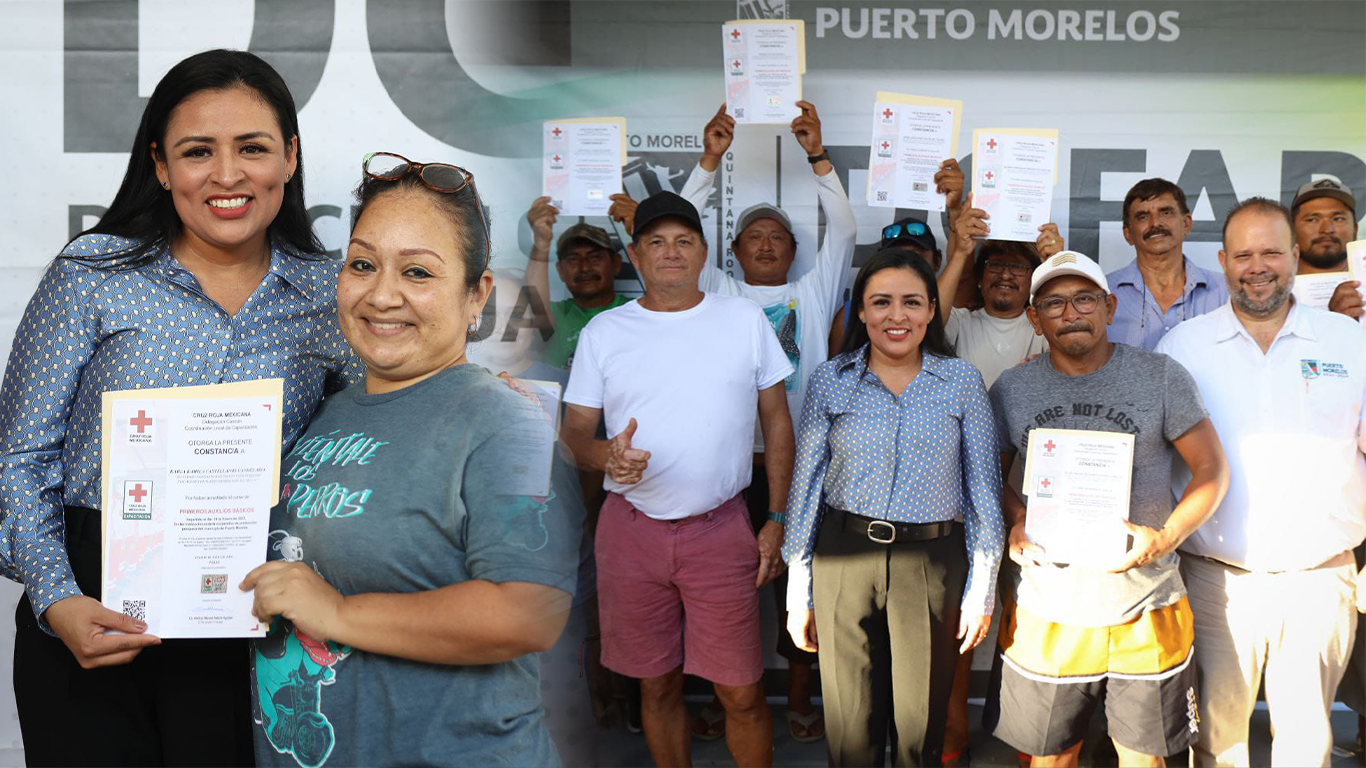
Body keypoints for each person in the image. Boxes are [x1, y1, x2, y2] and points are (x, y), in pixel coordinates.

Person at [0, 49, 359, 766]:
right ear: (161, 166)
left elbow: (379, 428)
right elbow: (19, 453)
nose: (227, 175)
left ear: (289, 158)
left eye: (252, 148)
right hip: (90, 597)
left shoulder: (332, 294)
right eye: (198, 151)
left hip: (251, 606)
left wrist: (470, 396)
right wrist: (54, 597)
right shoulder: (93, 274)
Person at [244, 153, 581, 767]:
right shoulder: (325, 413)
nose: (382, 295)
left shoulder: (508, 422)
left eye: (418, 273)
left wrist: (339, 612)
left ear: (476, 295)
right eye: (363, 264)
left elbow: (528, 612)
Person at [561, 191, 794, 767]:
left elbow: (779, 423)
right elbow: (573, 435)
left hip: (720, 529)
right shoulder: (605, 333)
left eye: (684, 241)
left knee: (740, 691)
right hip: (630, 531)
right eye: (657, 242)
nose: (671, 253)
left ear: (705, 253)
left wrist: (778, 519)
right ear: (635, 255)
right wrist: (605, 459)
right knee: (657, 687)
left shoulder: (743, 320)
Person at [986, 251, 1229, 768]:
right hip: (1048, 607)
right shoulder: (1013, 387)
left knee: (1147, 760)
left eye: (1084, 299)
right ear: (1035, 317)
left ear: (1109, 305)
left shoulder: (1161, 376)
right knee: (1050, 759)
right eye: (1053, 302)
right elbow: (987, 475)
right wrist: (1016, 519)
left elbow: (1212, 471)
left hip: (1147, 604)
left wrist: (1164, 538)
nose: (1071, 312)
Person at [1157, 197, 1366, 768]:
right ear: (1223, 260)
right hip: (1218, 586)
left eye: (1272, 251)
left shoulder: (1349, 342)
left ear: (1295, 255)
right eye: (1244, 254)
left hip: (1321, 581)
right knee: (1217, 743)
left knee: (1306, 741)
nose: (1258, 266)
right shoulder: (1183, 348)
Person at [671, 99, 855, 743]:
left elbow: (846, 228)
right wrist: (709, 160)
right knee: (722, 590)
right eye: (755, 236)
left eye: (778, 236)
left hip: (805, 468)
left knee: (799, 583)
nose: (768, 243)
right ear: (734, 250)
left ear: (794, 250)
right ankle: (723, 698)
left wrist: (817, 155)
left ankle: (800, 691)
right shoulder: (718, 293)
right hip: (727, 470)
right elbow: (680, 231)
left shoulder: (813, 291)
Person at [783, 247, 1004, 767]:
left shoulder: (962, 382)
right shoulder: (831, 379)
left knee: (918, 728)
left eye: (911, 302)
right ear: (861, 311)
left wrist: (982, 589)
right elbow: (806, 485)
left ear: (932, 310)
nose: (896, 316)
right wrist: (799, 589)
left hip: (930, 561)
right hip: (842, 557)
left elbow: (984, 492)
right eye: (881, 302)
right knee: (850, 727)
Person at [1106, 178, 1227, 350]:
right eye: (1142, 216)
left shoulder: (1225, 292)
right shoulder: (1103, 294)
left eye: (1166, 213)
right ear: (1128, 234)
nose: (1155, 223)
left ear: (1186, 223)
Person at [524, 196, 633, 370]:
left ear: (617, 264)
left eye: (595, 257)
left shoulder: (636, 312)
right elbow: (534, 302)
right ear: (560, 271)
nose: (584, 267)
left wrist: (638, 227)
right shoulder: (556, 315)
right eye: (573, 259)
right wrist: (541, 244)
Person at [1292, 178, 1363, 320]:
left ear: (1354, 230)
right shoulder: (1273, 289)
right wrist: (1336, 322)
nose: (1327, 229)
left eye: (1338, 219)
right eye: (1312, 219)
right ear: (1292, 231)